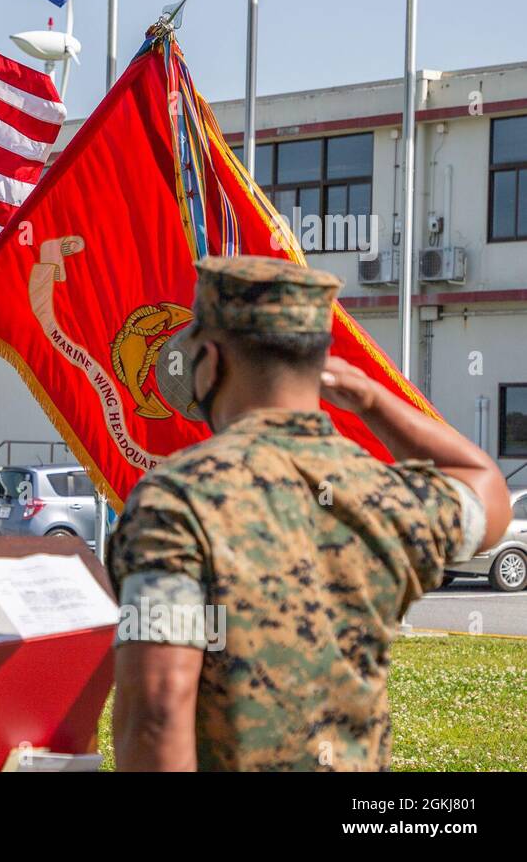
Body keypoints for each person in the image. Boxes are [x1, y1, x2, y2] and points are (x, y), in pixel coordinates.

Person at [109, 255, 511, 772]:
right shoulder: (382, 494)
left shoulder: (175, 501)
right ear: (323, 363)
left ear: (209, 360)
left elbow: (157, 713)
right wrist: (371, 399)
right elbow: (485, 489)